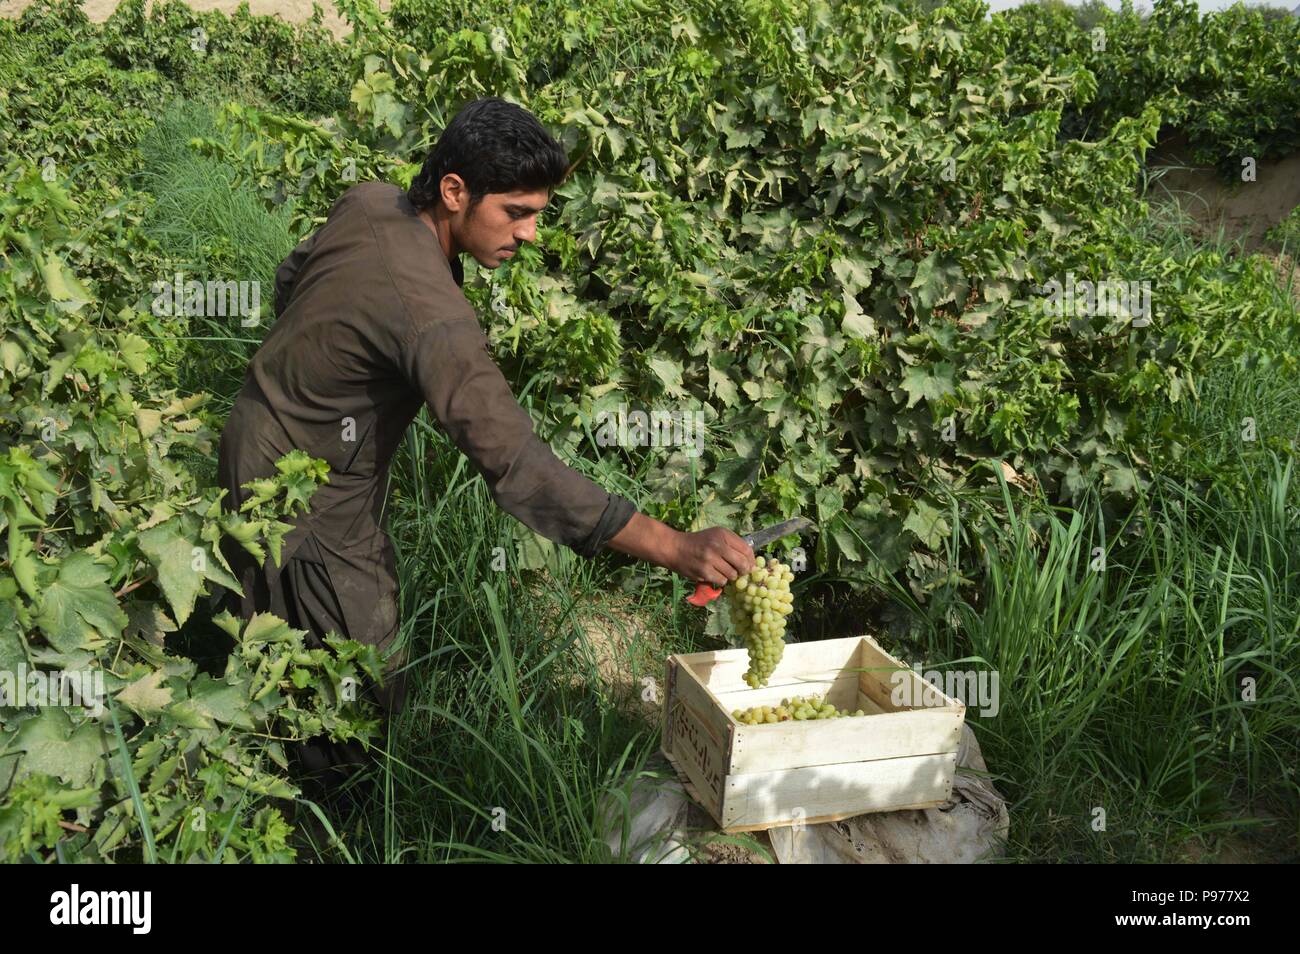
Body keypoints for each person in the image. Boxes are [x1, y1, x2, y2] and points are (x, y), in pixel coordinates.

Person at [216, 96, 755, 798]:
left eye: (539, 213)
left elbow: (293, 277)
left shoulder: (372, 202)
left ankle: (270, 756)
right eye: (516, 212)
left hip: (253, 436)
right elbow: (518, 465)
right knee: (358, 690)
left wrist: (314, 381)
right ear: (453, 191)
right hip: (304, 495)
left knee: (284, 640)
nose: (531, 234)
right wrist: (675, 547)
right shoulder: (433, 319)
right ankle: (326, 819)